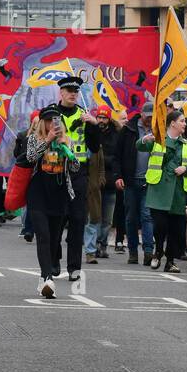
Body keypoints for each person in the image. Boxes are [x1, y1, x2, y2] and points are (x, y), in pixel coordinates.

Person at [14, 108, 81, 297]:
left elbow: (76, 167)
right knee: (43, 236)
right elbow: (30, 158)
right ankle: (46, 278)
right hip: (38, 194)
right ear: (44, 123)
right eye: (50, 121)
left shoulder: (66, 140)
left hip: (59, 195)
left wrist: (65, 147)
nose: (54, 124)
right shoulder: (34, 139)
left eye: (57, 121)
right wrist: (48, 140)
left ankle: (46, 273)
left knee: (54, 238)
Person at [47, 75, 102, 279]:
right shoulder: (51, 114)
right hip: (55, 171)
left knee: (78, 220)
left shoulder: (85, 115)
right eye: (69, 91)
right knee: (56, 219)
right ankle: (53, 262)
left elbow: (95, 147)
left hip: (78, 172)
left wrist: (94, 125)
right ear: (61, 93)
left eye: (76, 91)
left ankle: (74, 268)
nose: (73, 94)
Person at [141, 108, 187, 273]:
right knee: (160, 226)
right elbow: (140, 146)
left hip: (178, 192)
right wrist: (144, 139)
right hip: (159, 190)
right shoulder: (158, 140)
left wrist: (185, 169)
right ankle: (158, 250)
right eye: (182, 121)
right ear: (172, 123)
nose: (184, 124)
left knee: (176, 230)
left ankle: (170, 261)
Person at [114, 101, 156, 265]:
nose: (150, 119)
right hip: (130, 180)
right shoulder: (128, 129)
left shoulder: (157, 130)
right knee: (131, 217)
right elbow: (117, 155)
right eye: (148, 116)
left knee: (147, 216)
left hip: (150, 180)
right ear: (142, 114)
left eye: (153, 116)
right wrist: (118, 176)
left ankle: (147, 251)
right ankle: (132, 251)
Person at [83, 107, 119, 262]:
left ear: (109, 119)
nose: (101, 121)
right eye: (99, 118)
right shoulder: (91, 136)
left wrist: (104, 171)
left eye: (104, 118)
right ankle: (93, 248)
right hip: (93, 184)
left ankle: (102, 244)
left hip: (110, 184)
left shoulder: (116, 135)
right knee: (93, 218)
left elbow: (115, 158)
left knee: (107, 220)